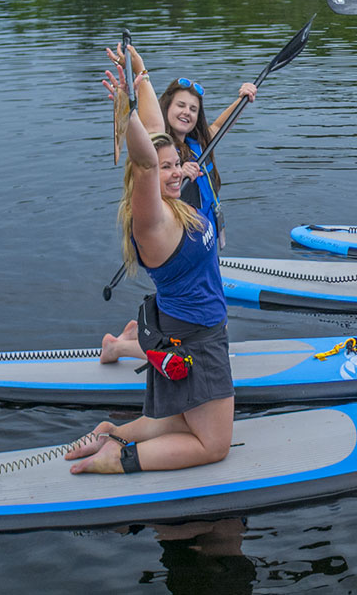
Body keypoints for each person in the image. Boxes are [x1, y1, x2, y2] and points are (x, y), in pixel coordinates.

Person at [67, 69, 235, 474]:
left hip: (196, 327)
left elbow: (156, 129)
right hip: (195, 337)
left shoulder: (175, 205)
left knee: (185, 420)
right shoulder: (152, 222)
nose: (177, 172)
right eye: (166, 168)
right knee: (214, 445)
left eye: (178, 163)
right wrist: (126, 114)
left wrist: (140, 76)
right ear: (145, 178)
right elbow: (144, 159)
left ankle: (113, 433)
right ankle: (119, 459)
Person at [108, 43, 258, 236]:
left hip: (206, 234)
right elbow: (150, 150)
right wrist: (179, 172)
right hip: (177, 236)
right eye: (181, 105)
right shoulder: (156, 149)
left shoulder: (199, 144)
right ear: (167, 107)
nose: (187, 112)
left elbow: (219, 126)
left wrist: (243, 98)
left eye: (193, 109)